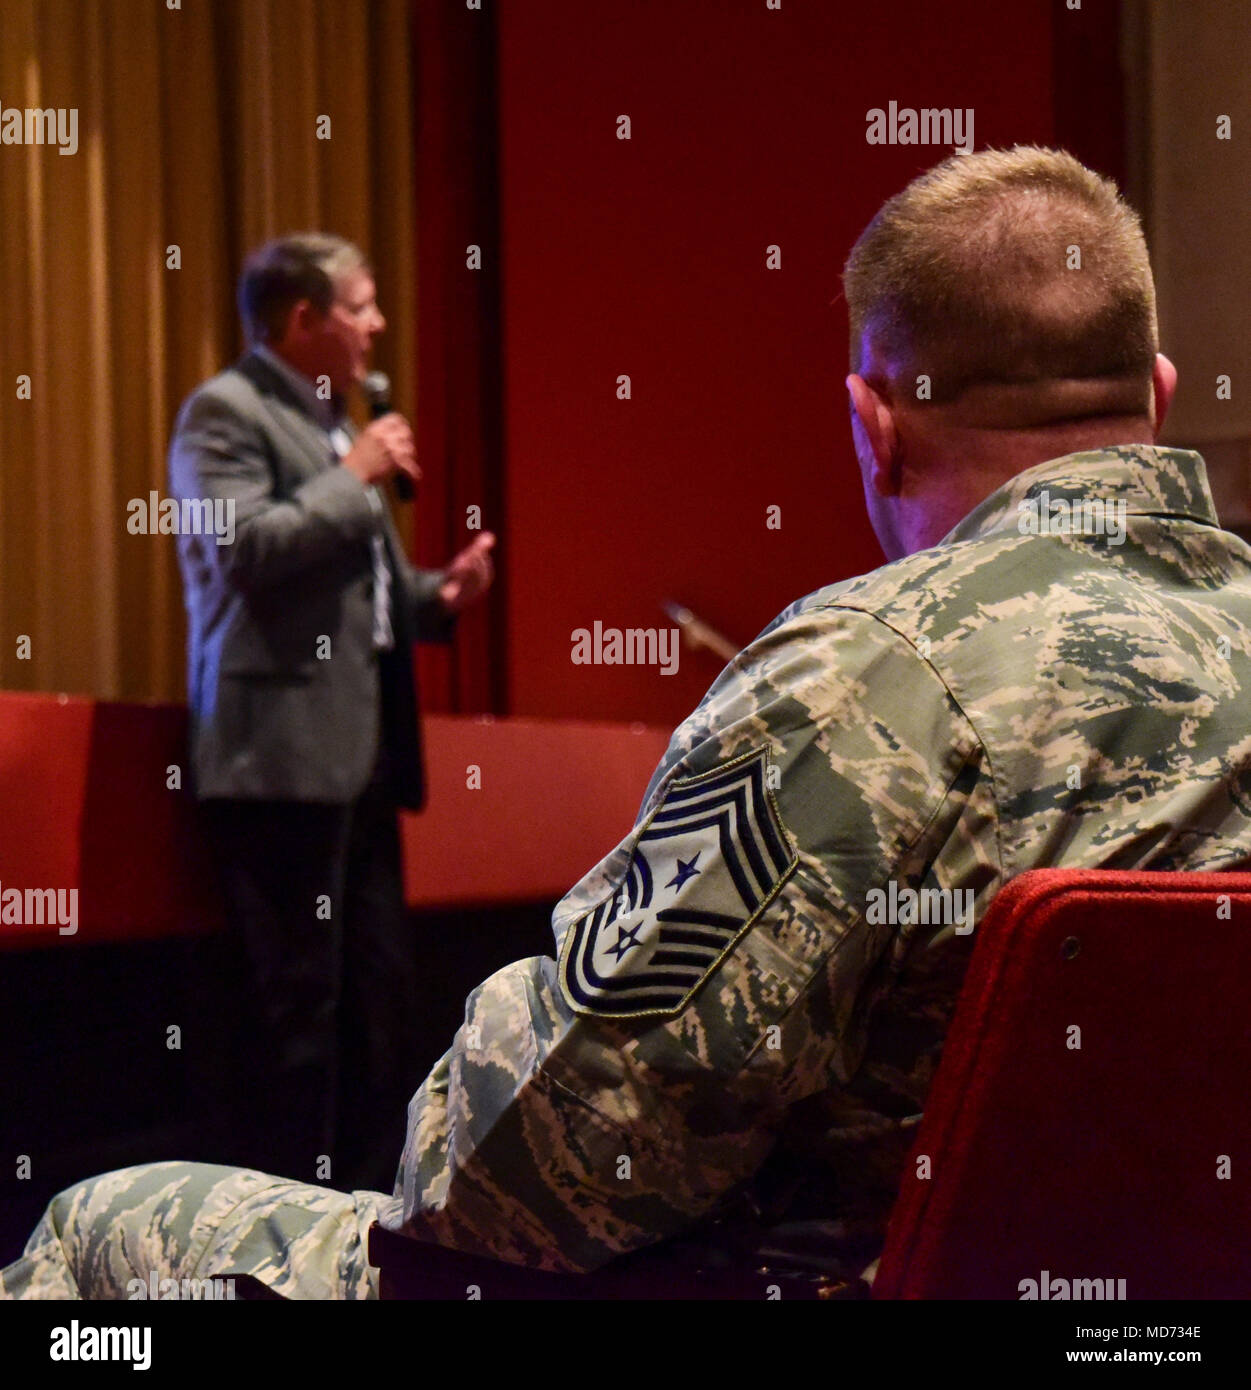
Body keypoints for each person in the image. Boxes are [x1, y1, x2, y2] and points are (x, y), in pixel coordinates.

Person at [7, 146, 1251, 1300]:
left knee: (92, 1227)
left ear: (872, 430)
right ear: (1156, 389)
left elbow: (523, 1173)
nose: (379, 325)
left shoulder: (874, 670)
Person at [167, 233, 495, 1191]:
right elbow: (241, 550)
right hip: (277, 763)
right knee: (294, 1016)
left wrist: (441, 595)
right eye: (362, 305)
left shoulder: (323, 422)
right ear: (304, 318)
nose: (378, 326)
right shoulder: (225, 413)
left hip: (362, 759)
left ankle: (355, 1217)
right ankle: (271, 1228)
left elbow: (370, 594)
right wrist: (354, 475)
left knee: (377, 1007)